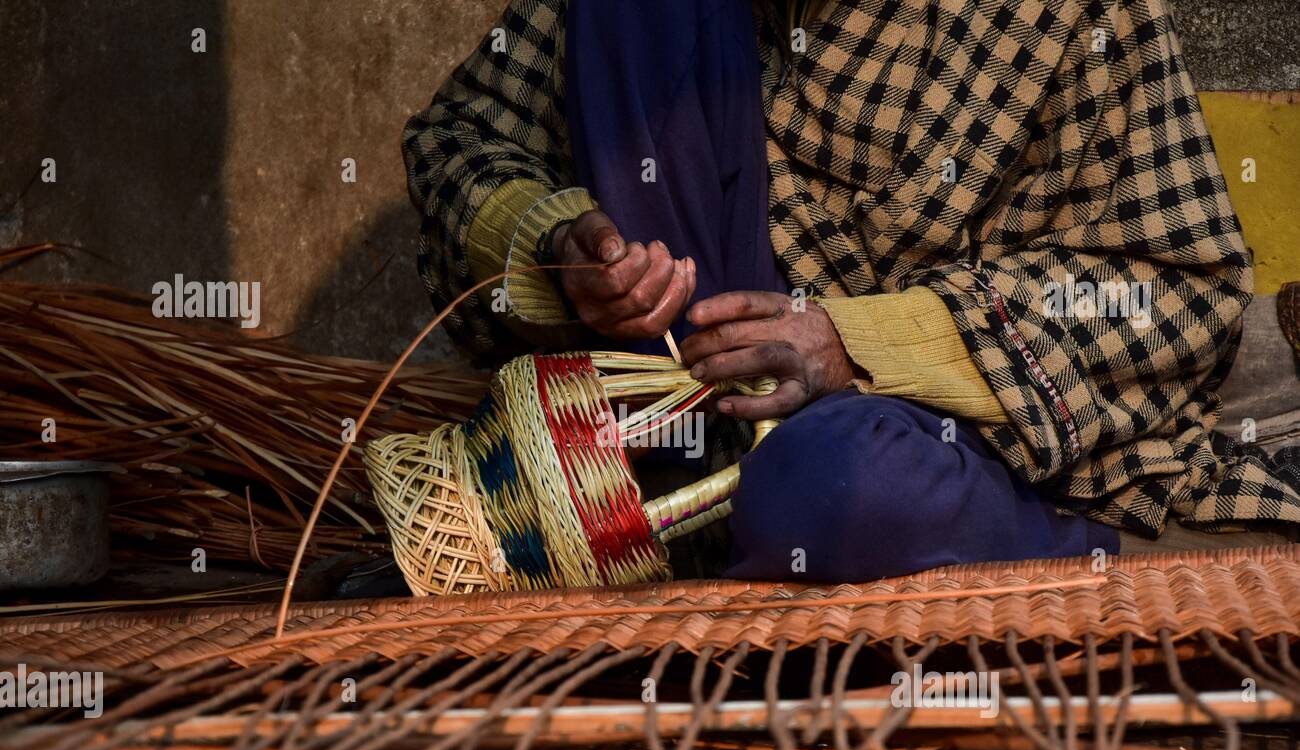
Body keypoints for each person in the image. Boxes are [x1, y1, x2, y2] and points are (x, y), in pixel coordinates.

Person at [402, 0, 1300, 582]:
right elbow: (459, 142)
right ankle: (671, 490)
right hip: (675, 439)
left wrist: (858, 342)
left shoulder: (1071, 17)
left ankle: (1072, 563)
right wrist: (563, 245)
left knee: (835, 487)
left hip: (942, 443)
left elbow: (1173, 290)